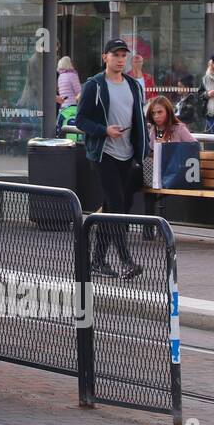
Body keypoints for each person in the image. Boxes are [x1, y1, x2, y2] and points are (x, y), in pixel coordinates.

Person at [75, 37, 148, 279]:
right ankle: (126, 260)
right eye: (115, 55)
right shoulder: (94, 85)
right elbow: (81, 119)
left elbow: (139, 117)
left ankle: (97, 260)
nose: (120, 59)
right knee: (117, 205)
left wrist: (142, 148)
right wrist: (104, 130)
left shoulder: (133, 85)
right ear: (105, 57)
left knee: (111, 206)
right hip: (103, 153)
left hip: (127, 154)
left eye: (123, 55)